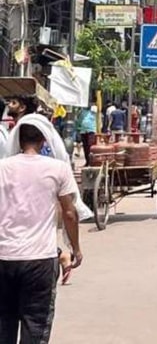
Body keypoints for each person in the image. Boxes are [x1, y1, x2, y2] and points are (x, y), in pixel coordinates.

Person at [0, 123, 83, 342]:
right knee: (35, 326)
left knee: (3, 326)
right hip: (40, 260)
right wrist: (75, 249)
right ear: (44, 140)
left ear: (18, 140)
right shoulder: (57, 169)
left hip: (4, 257)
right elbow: (69, 213)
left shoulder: (2, 167)